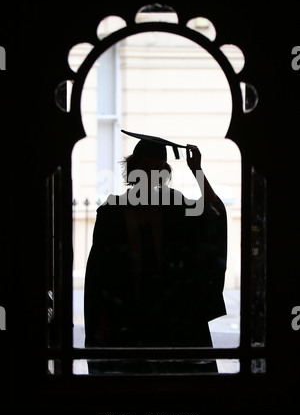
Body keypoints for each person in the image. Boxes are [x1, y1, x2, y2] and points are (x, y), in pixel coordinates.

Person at [84, 130, 227, 373]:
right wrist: (100, 320)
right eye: (147, 167)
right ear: (133, 171)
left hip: (172, 315)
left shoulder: (175, 206)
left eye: (159, 168)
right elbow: (98, 272)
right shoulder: (112, 212)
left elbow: (213, 214)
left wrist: (197, 171)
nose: (152, 174)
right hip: (126, 316)